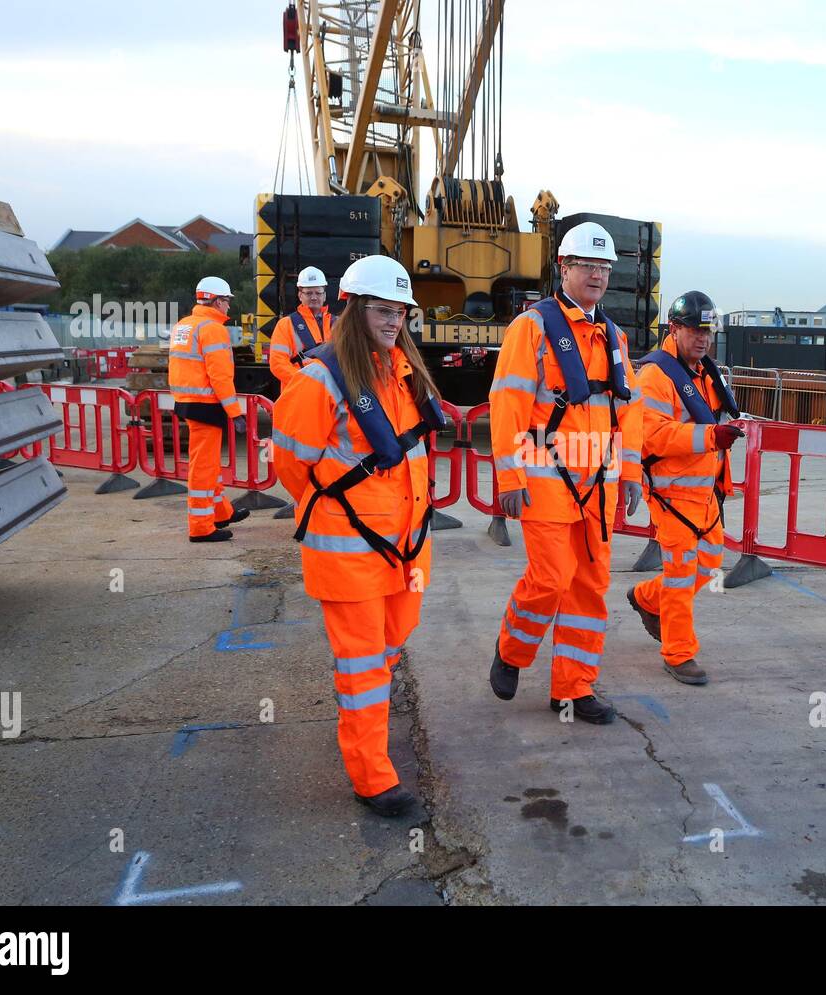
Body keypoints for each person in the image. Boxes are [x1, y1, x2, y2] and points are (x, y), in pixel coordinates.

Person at [272, 255, 447, 817]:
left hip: (407, 547)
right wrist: (340, 512)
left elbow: (415, 454)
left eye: (400, 311)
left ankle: (356, 722)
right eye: (382, 310)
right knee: (364, 663)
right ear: (352, 308)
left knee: (392, 645)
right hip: (349, 552)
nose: (394, 320)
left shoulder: (403, 370)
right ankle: (372, 776)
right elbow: (292, 466)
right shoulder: (319, 376)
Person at [486, 221, 643, 725]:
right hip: (546, 481)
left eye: (604, 267)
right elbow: (507, 403)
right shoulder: (531, 328)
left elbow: (630, 411)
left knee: (589, 588)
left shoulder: (613, 336)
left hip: (598, 486)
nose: (597, 275)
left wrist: (633, 473)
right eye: (587, 266)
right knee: (551, 579)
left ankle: (573, 689)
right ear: (564, 268)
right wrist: (509, 476)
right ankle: (511, 651)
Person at [626, 291, 744, 684]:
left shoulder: (703, 373)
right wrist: (712, 436)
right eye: (695, 330)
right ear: (674, 330)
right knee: (680, 573)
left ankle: (645, 597)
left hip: (704, 493)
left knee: (710, 564)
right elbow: (655, 437)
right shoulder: (654, 376)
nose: (703, 338)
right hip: (671, 493)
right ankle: (678, 653)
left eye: (707, 331)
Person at [167, 276, 250, 543]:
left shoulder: (184, 325)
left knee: (207, 464)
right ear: (215, 301)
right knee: (203, 469)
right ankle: (201, 527)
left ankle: (221, 512)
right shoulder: (213, 329)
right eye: (227, 301)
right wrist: (235, 412)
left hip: (187, 401)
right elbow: (221, 377)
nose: (229, 307)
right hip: (206, 404)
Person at [268, 266, 332, 392]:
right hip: (298, 393)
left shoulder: (337, 324)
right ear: (300, 295)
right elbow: (277, 363)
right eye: (308, 293)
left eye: (318, 293)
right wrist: (305, 381)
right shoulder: (286, 325)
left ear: (324, 296)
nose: (314, 297)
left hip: (331, 394)